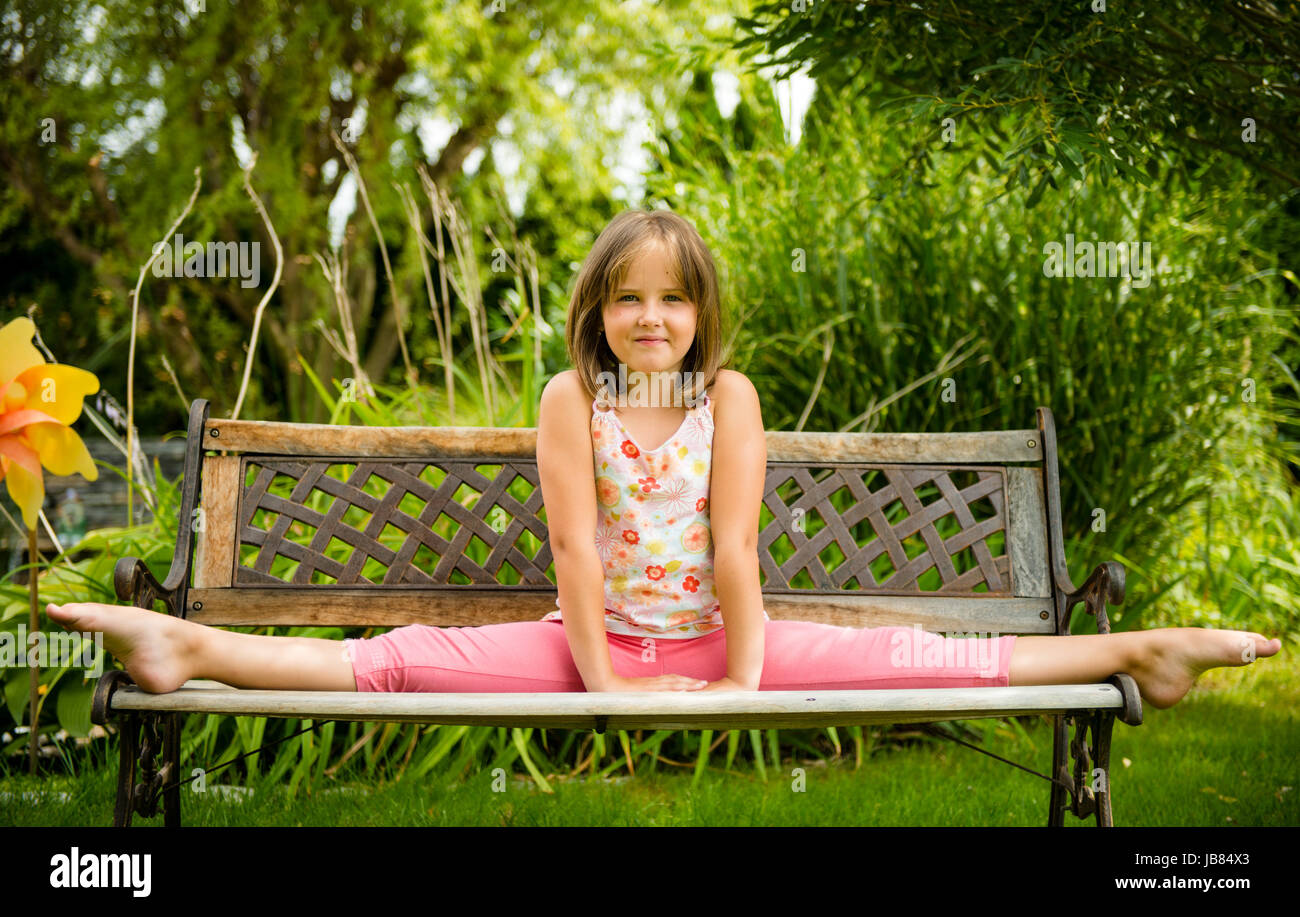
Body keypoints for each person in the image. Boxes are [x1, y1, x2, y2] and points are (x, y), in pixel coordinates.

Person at [46, 209, 1279, 708]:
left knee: (927, 657)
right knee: (401, 663)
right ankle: (189, 643)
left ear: (698, 316)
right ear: (597, 310)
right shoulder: (566, 401)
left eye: (672, 303)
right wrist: (606, 685)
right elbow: (575, 552)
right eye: (628, 300)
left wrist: (741, 683)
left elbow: (735, 550)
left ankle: (1139, 648)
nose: (650, 319)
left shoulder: (726, 399)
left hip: (715, 635)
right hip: (587, 641)